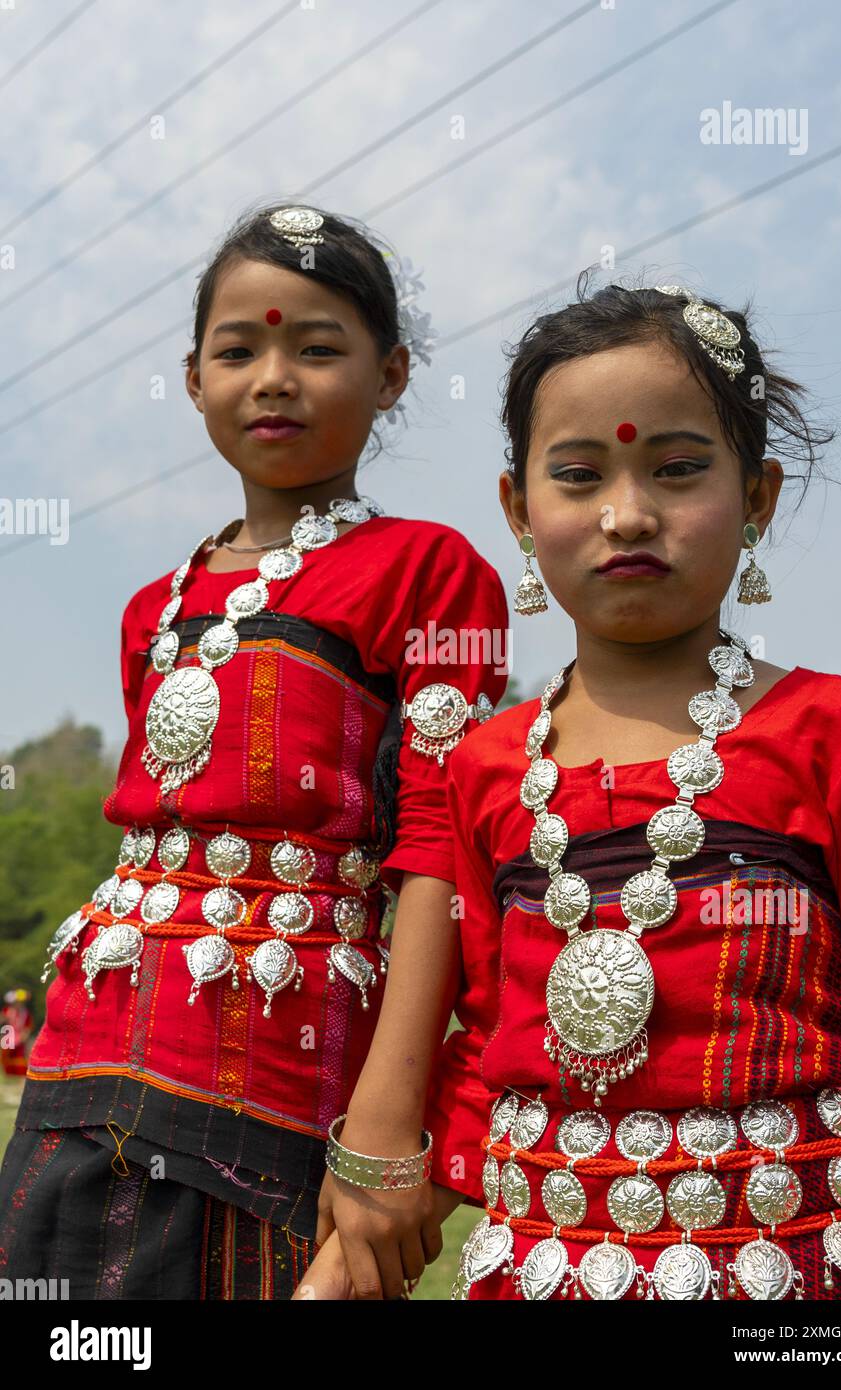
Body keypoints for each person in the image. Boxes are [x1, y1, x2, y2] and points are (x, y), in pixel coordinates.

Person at [305, 277, 841, 1302]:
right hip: (539, 1266)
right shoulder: (484, 765)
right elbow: (493, 1044)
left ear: (757, 497)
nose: (627, 514)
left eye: (678, 470)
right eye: (578, 475)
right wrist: (370, 1222)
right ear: (517, 507)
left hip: (796, 1278)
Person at [0, 201, 508, 1300]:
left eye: (318, 348)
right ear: (193, 380)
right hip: (81, 1058)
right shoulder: (153, 605)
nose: (273, 377)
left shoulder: (428, 573)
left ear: (394, 374)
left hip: (279, 1073)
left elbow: (439, 853)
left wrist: (385, 1129)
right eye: (239, 349)